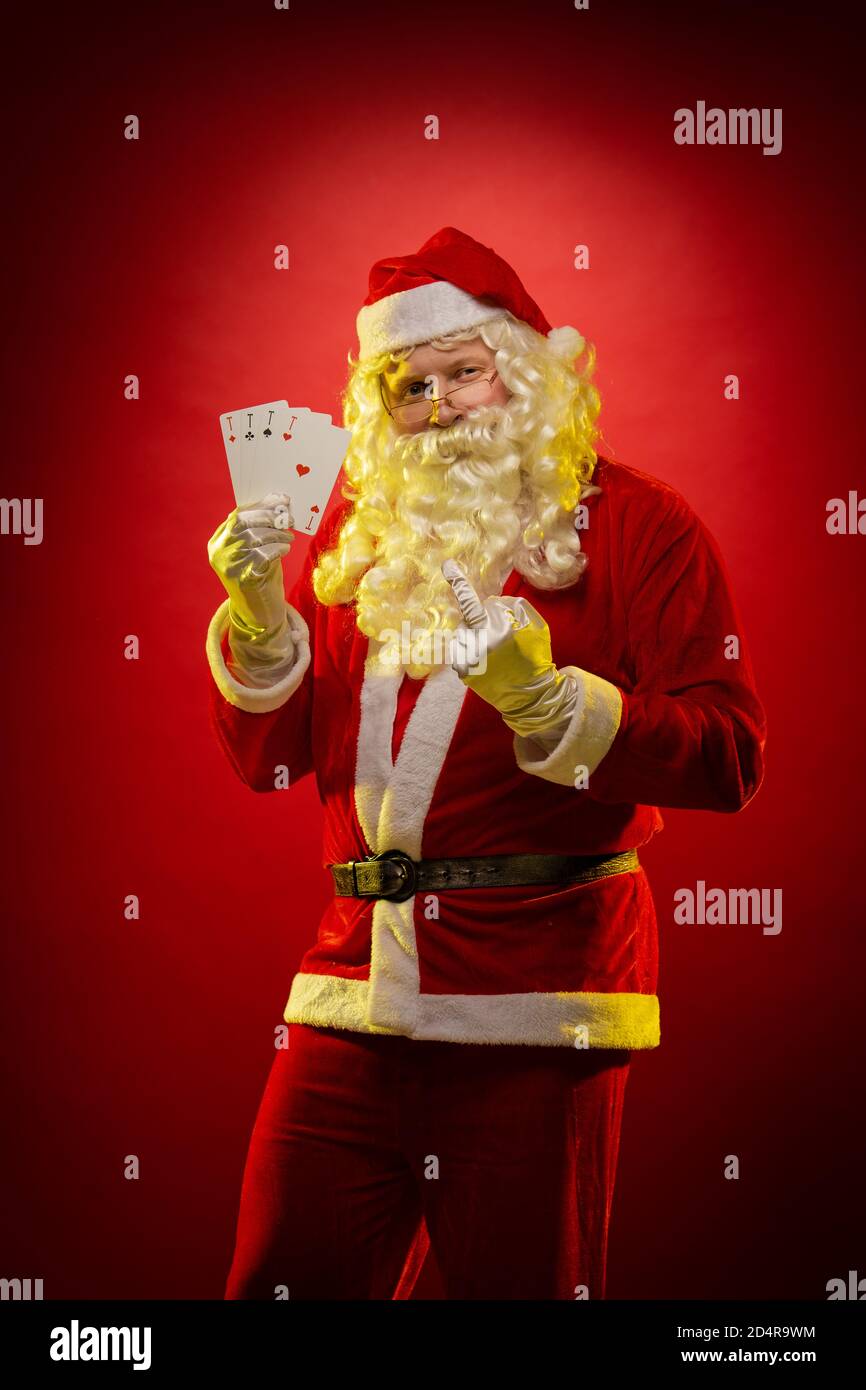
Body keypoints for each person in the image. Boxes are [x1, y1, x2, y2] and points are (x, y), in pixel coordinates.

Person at [205, 226, 767, 1300]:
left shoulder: (642, 526)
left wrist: (548, 701)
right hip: (352, 991)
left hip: (536, 1001)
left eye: (464, 372)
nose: (439, 406)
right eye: (407, 387)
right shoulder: (357, 545)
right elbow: (268, 763)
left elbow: (729, 758)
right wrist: (257, 611)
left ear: (522, 376)